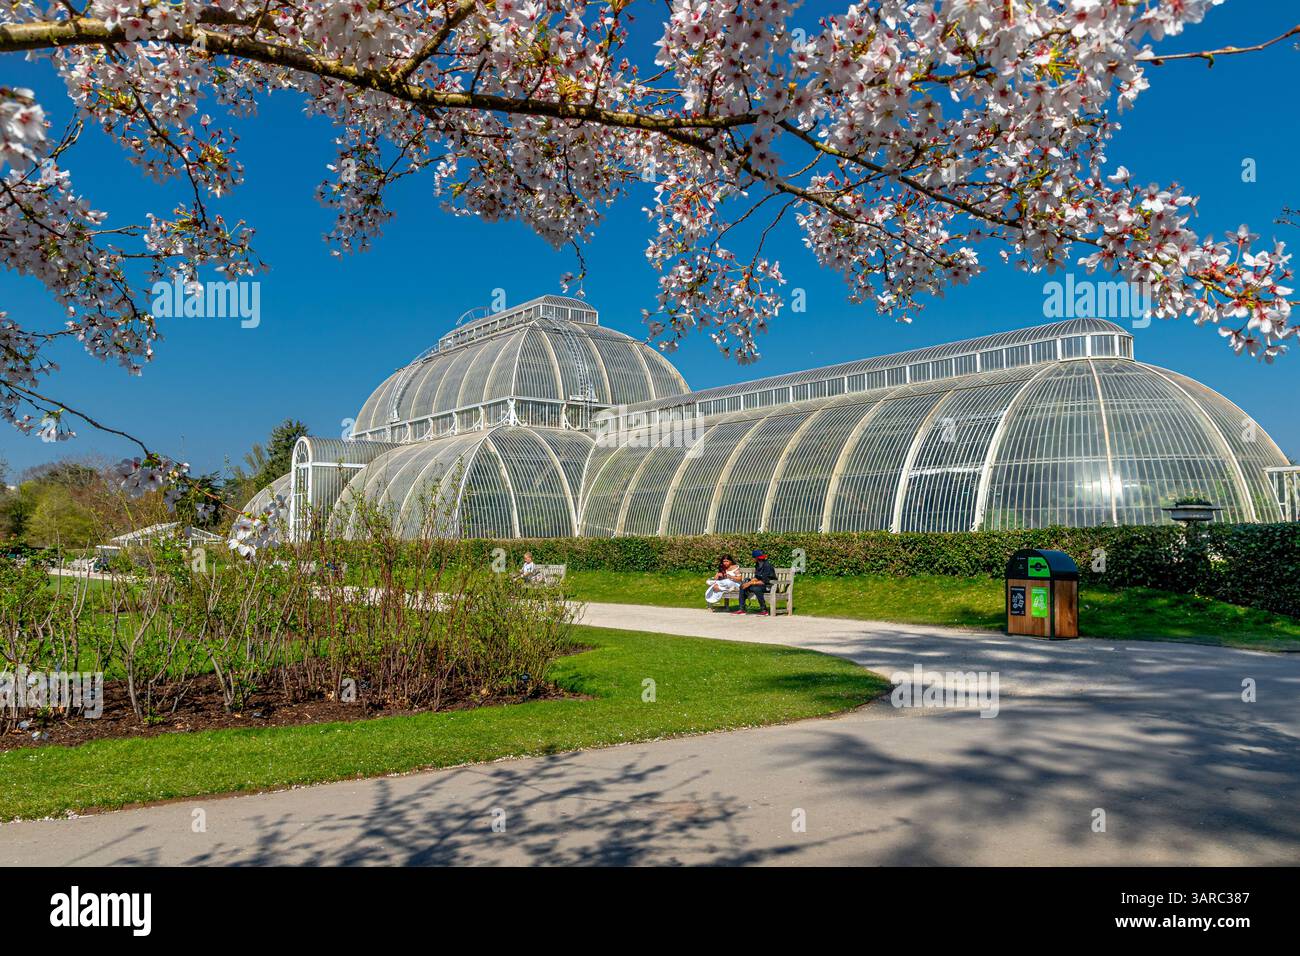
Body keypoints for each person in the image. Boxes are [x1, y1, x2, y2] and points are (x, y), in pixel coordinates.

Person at [734, 549, 776, 615]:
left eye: (753, 557)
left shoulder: (767, 566)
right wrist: (747, 583)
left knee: (756, 589)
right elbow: (757, 577)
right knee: (743, 586)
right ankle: (741, 609)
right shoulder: (758, 564)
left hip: (770, 586)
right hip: (760, 585)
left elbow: (764, 581)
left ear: (756, 558)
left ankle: (764, 610)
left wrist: (751, 583)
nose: (752, 559)